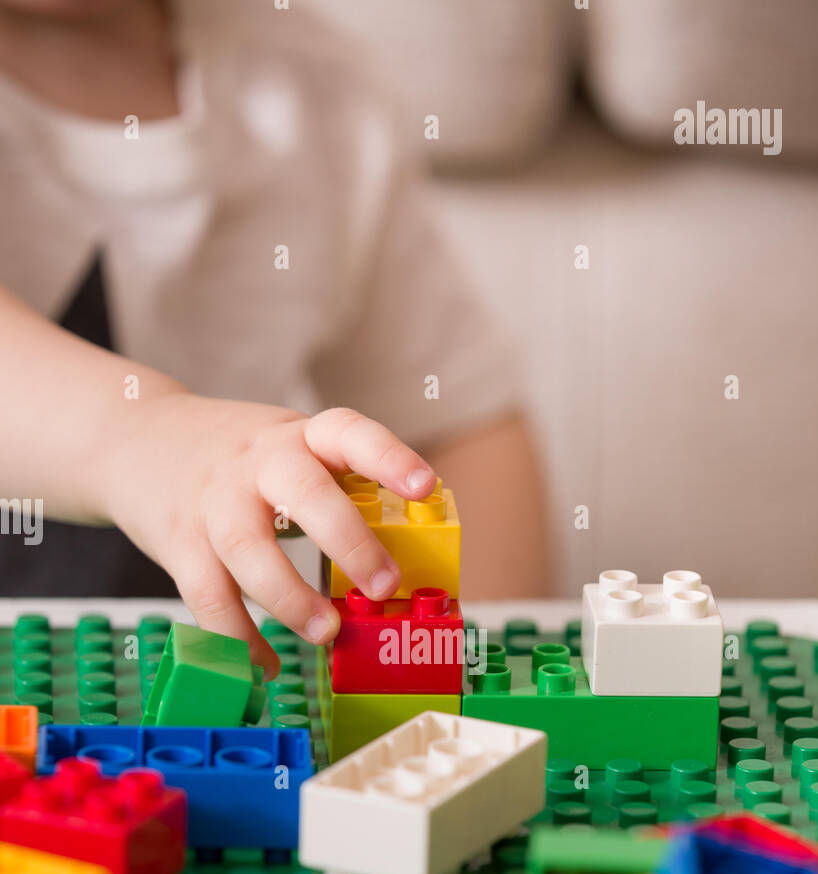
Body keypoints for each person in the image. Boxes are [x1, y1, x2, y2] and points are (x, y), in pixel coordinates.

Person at [0, 0, 549, 678]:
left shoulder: (316, 93)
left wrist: (458, 673)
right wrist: (151, 437)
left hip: (200, 688)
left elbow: (458, 424)